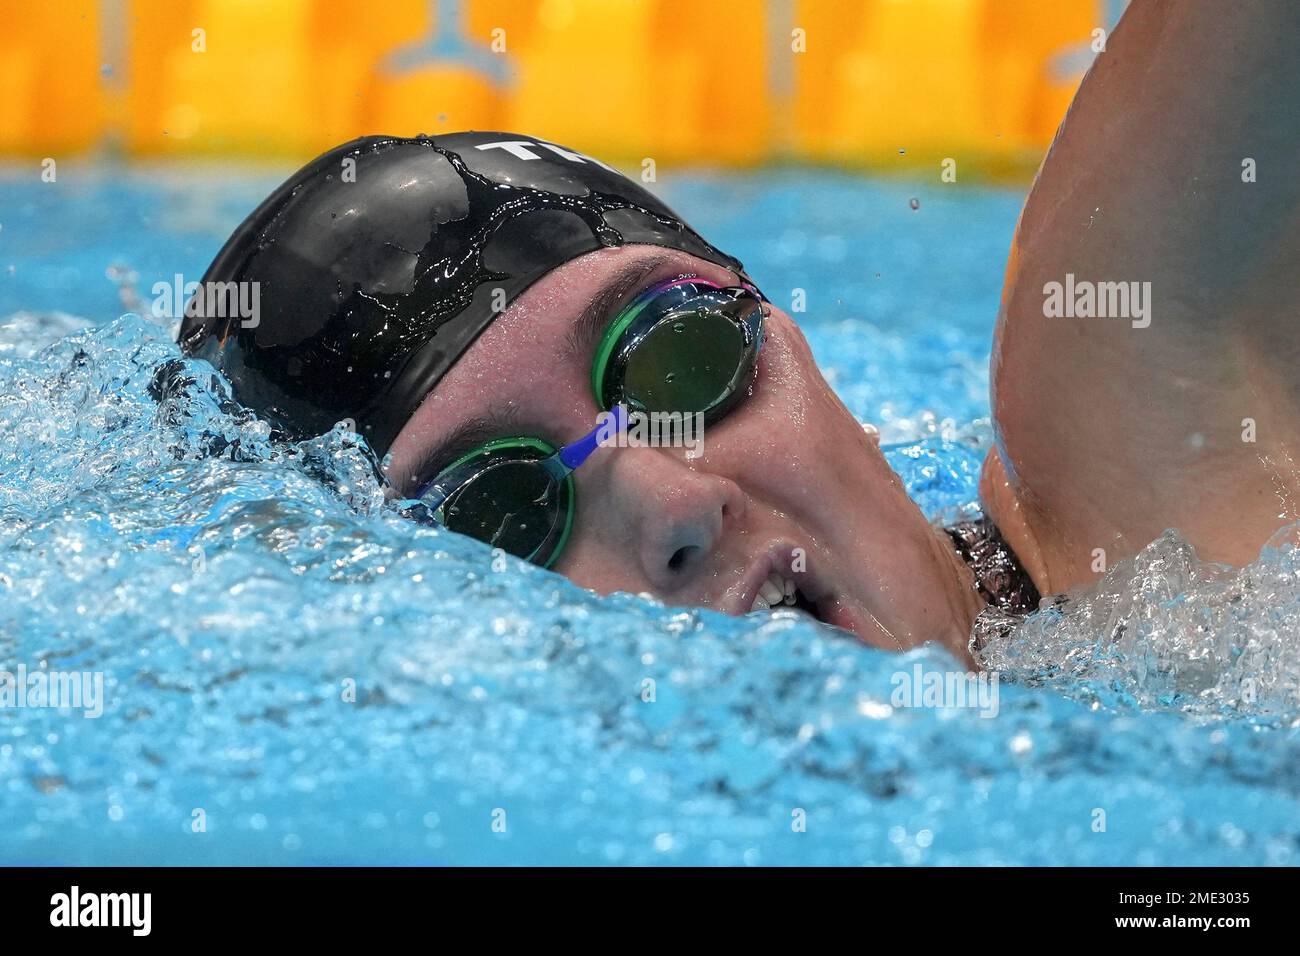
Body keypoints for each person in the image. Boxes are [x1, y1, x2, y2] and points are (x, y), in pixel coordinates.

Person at [177, 2, 1299, 664]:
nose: (674, 507)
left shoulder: (1143, 479)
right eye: (502, 511)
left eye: (682, 359)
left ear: (783, 325)